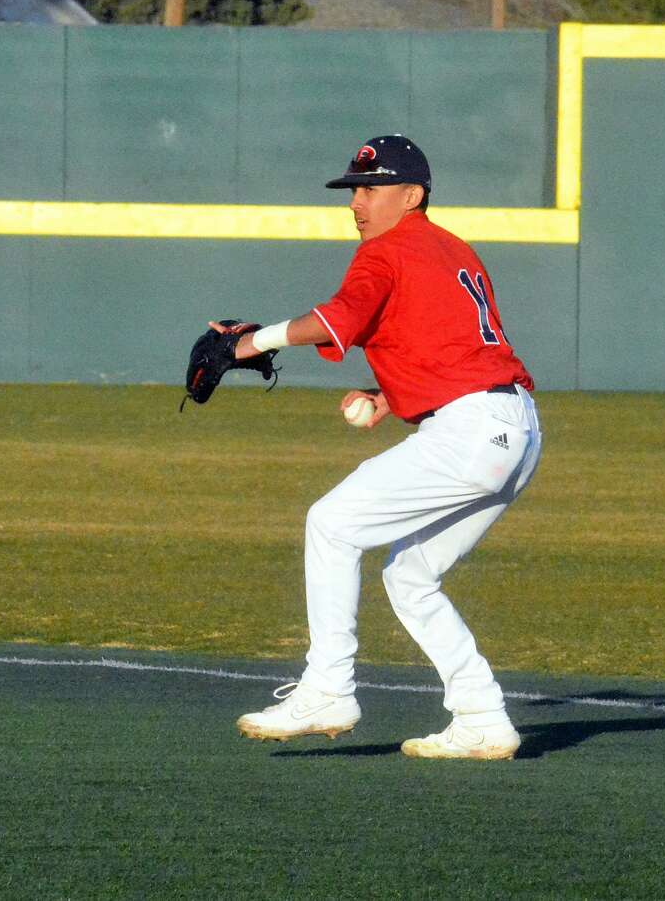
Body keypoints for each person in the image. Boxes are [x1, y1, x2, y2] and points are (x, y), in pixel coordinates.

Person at [229, 135, 542, 760]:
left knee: (331, 524)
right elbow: (453, 347)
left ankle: (328, 688)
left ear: (413, 195)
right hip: (516, 428)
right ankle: (482, 716)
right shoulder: (451, 250)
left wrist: (251, 341)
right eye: (354, 190)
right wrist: (389, 394)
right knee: (411, 575)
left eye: (371, 189)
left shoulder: (387, 250)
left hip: (471, 430)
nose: (358, 202)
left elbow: (337, 319)